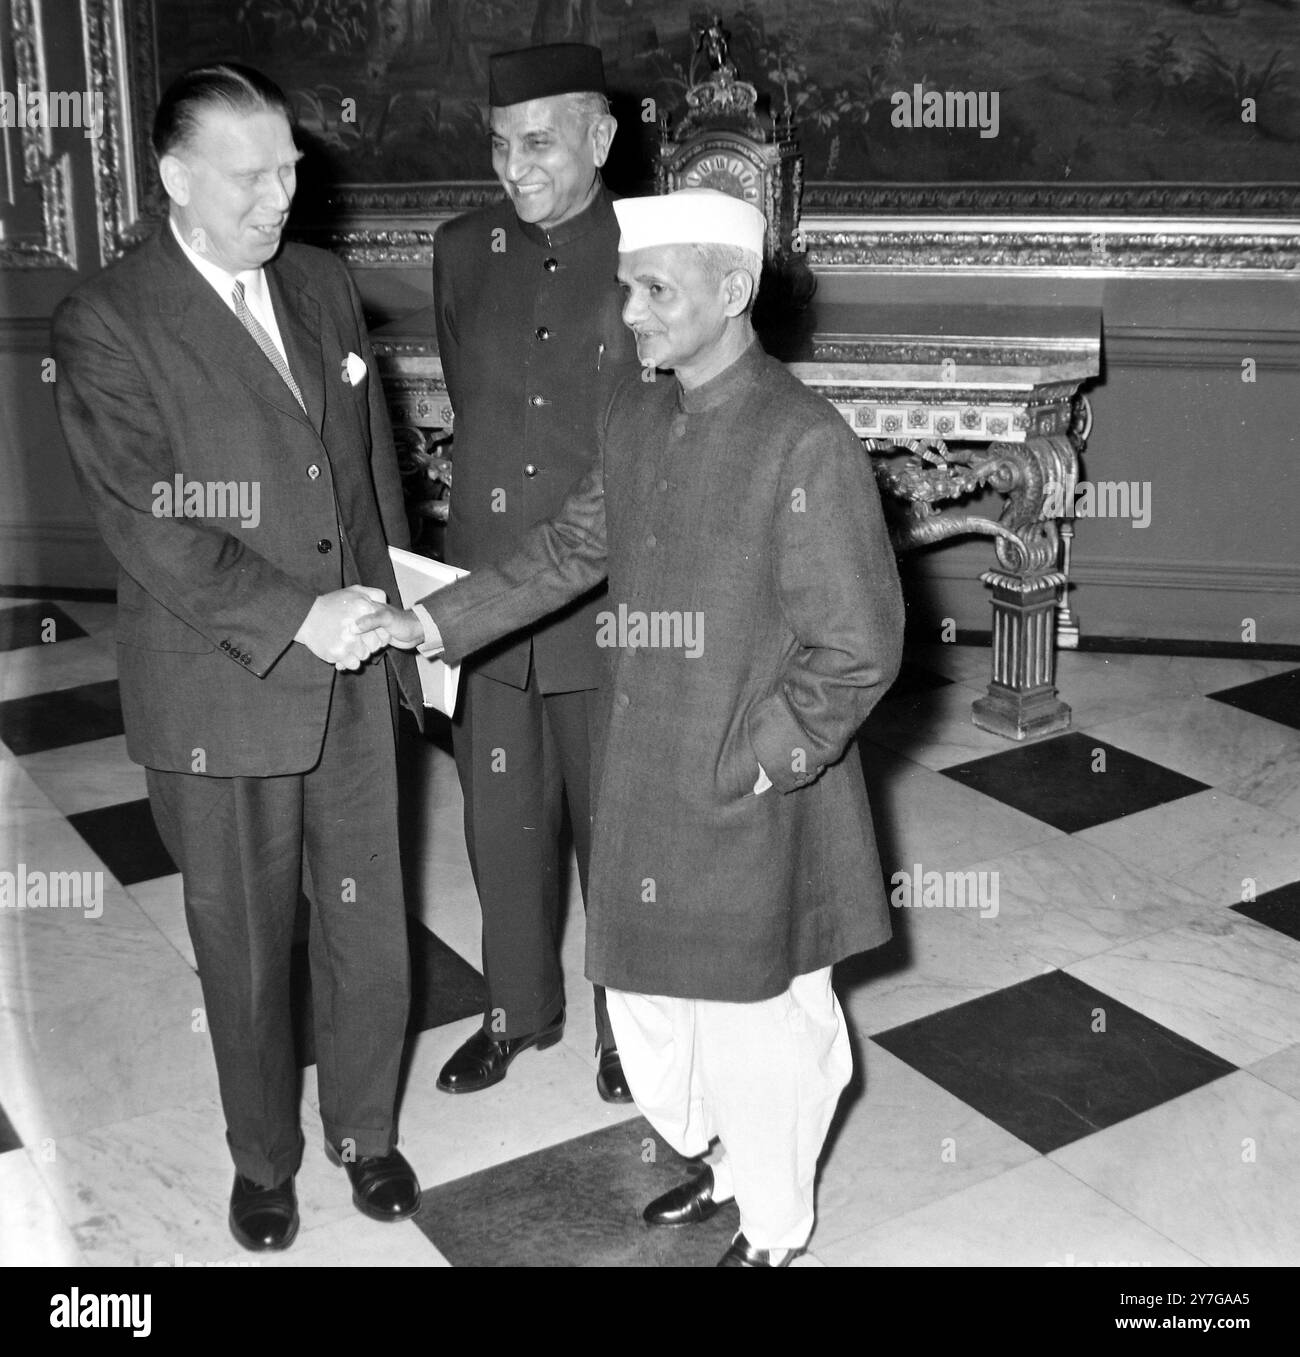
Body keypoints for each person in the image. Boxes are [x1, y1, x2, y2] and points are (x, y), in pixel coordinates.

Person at [362, 188, 905, 1266]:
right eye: (627, 286)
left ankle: (774, 1221)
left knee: (766, 1024)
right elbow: (568, 549)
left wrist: (762, 761)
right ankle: (717, 1163)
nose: (631, 313)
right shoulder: (639, 416)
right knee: (658, 1002)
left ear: (732, 291)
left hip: (754, 792)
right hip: (645, 768)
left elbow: (860, 647)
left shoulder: (804, 444)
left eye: (655, 290)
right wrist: (433, 618)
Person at [51, 63, 422, 1253]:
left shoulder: (319, 281)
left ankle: (364, 1131)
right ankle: (262, 1160)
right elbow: (150, 520)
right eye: (253, 176)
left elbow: (365, 476)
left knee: (368, 919)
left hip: (358, 665)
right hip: (226, 681)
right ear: (175, 178)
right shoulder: (108, 318)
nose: (282, 198)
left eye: (292, 172)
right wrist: (294, 617)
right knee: (246, 943)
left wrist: (407, 621)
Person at [428, 42, 639, 1102]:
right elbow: (474, 397)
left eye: (541, 142)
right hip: (487, 598)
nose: (516, 167)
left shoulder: (651, 250)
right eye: (502, 144)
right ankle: (515, 1012)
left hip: (613, 602)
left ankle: (627, 1031)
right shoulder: (461, 248)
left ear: (600, 138)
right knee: (497, 820)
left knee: (618, 829)